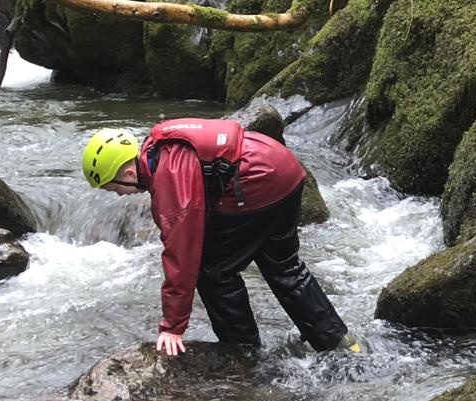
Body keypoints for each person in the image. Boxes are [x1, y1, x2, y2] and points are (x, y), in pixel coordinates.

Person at [83, 119, 356, 354]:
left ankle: (243, 351)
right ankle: (338, 342)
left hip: (257, 183)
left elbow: (183, 252)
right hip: (283, 167)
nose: (119, 195)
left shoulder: (169, 176)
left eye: (115, 188)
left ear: (129, 173)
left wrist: (172, 327)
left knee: (212, 271)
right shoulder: (160, 147)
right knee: (284, 267)